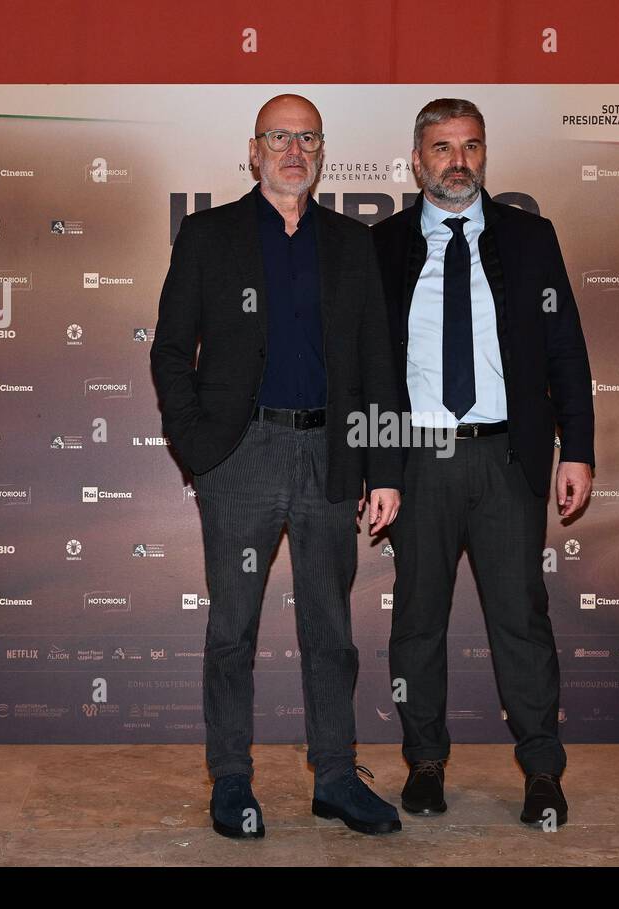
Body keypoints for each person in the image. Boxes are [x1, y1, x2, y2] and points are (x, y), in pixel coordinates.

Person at [151, 93, 404, 838]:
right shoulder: (209, 236)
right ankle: (231, 780)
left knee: (331, 629)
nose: (294, 150)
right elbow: (171, 350)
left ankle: (334, 777)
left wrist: (383, 467)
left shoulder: (352, 246)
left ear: (321, 154)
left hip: (331, 455)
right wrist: (200, 448)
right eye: (279, 137)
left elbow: (378, 367)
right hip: (242, 456)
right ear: (254, 150)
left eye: (308, 139)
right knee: (233, 626)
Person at [371, 98, 595, 828]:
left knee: (521, 620)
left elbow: (566, 349)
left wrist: (580, 450)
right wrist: (374, 466)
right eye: (441, 147)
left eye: (470, 146)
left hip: (507, 458)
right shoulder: (382, 246)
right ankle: (426, 762)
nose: (457, 161)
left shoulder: (532, 239)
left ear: (484, 155)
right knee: (417, 621)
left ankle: (541, 771)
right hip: (419, 462)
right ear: (417, 160)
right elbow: (365, 369)